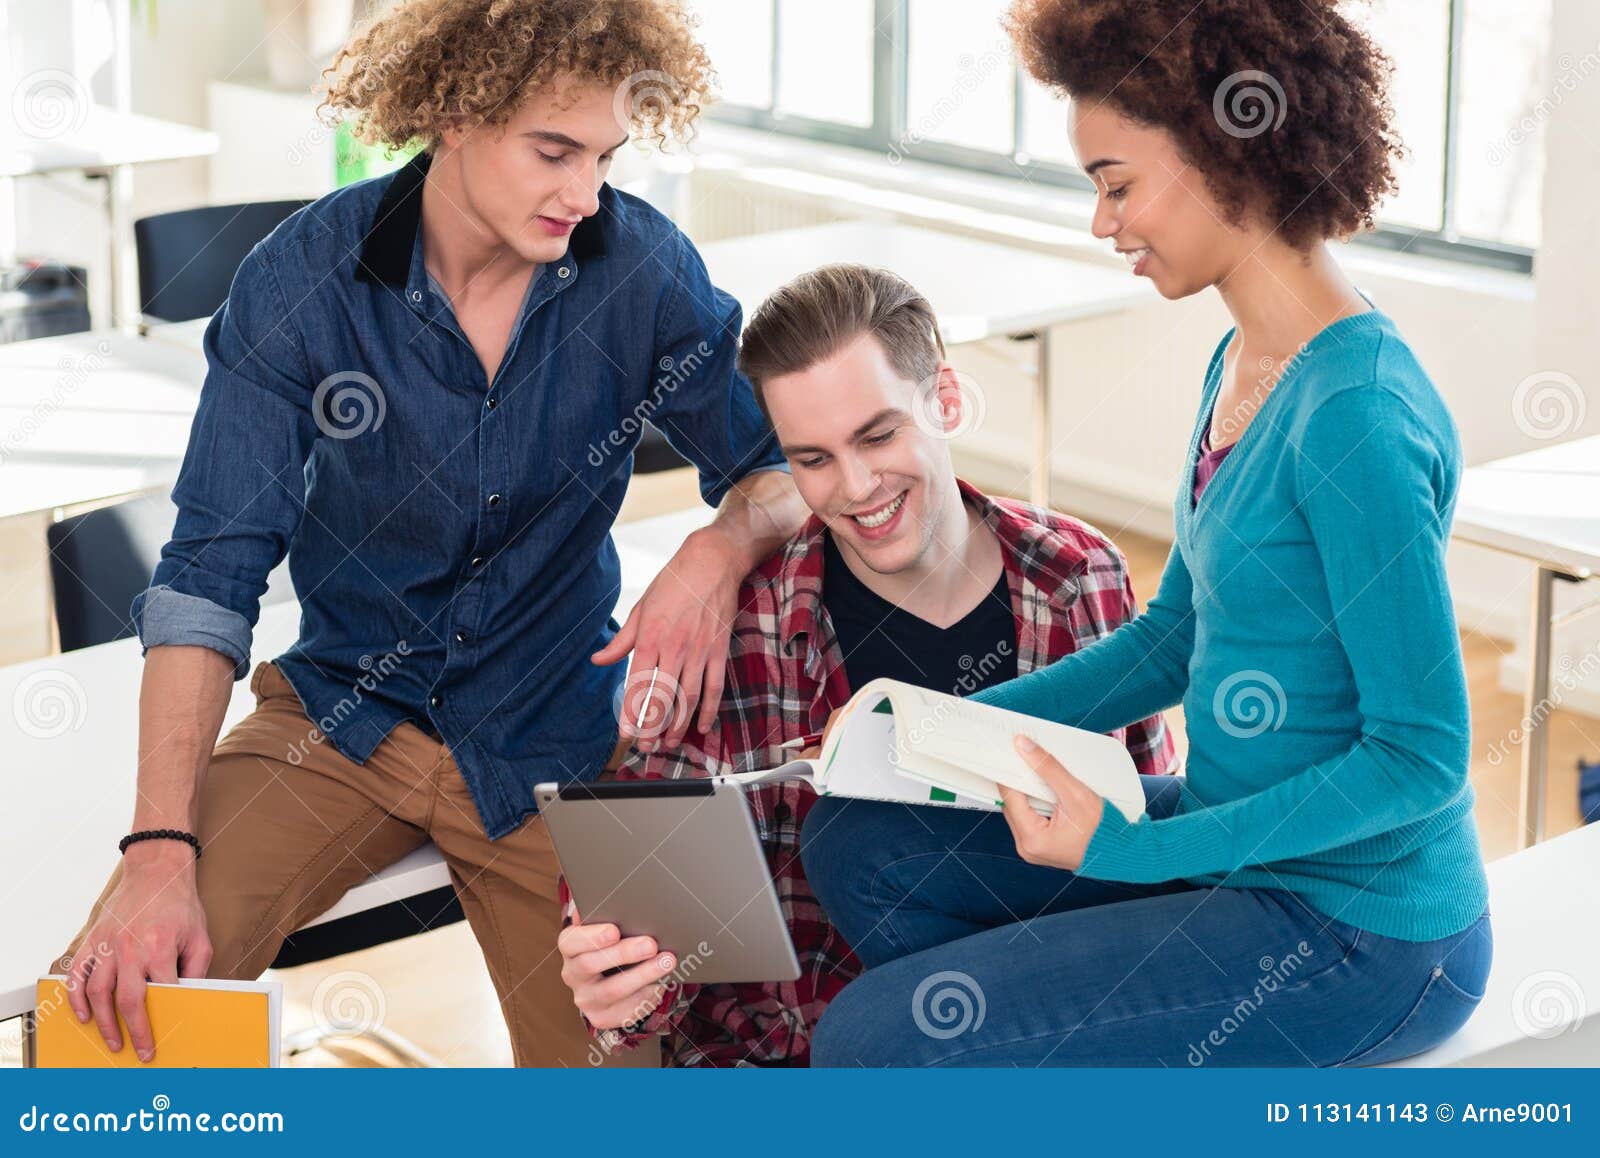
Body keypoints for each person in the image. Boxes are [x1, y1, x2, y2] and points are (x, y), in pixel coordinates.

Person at [52, 0, 807, 1069]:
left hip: (558, 740)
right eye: (554, 151)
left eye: (604, 156)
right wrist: (159, 847)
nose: (584, 193)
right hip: (341, 720)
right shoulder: (300, 279)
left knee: (642, 1084)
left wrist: (717, 547)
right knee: (107, 1025)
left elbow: (781, 472)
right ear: (455, 113)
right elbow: (208, 576)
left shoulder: (639, 268)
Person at [801, 0, 1493, 1067]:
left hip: (1361, 932)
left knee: (871, 1043)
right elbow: (1172, 638)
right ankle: (1053, 1056)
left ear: (1230, 150)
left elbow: (1422, 758)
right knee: (863, 835)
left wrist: (1142, 852)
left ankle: (1004, 1050)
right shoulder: (1243, 365)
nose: (1102, 221)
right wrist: (927, 730)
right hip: (1241, 836)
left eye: (1116, 183)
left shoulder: (1353, 413)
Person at [556, 264, 1175, 1065]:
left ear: (945, 401)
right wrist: (617, 978)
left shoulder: (1080, 579)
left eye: (879, 436)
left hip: (1023, 1044)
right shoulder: (744, 618)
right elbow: (644, 867)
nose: (855, 487)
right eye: (812, 459)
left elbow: (1142, 835)